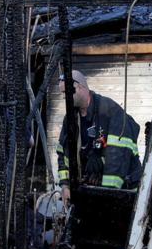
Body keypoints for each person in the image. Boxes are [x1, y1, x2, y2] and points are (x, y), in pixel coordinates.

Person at [55, 70, 142, 204]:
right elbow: (63, 153)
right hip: (93, 192)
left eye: (66, 93)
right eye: (62, 94)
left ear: (80, 87)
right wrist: (66, 186)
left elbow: (117, 159)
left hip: (125, 194)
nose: (64, 98)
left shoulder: (110, 112)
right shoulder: (70, 119)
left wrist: (106, 195)